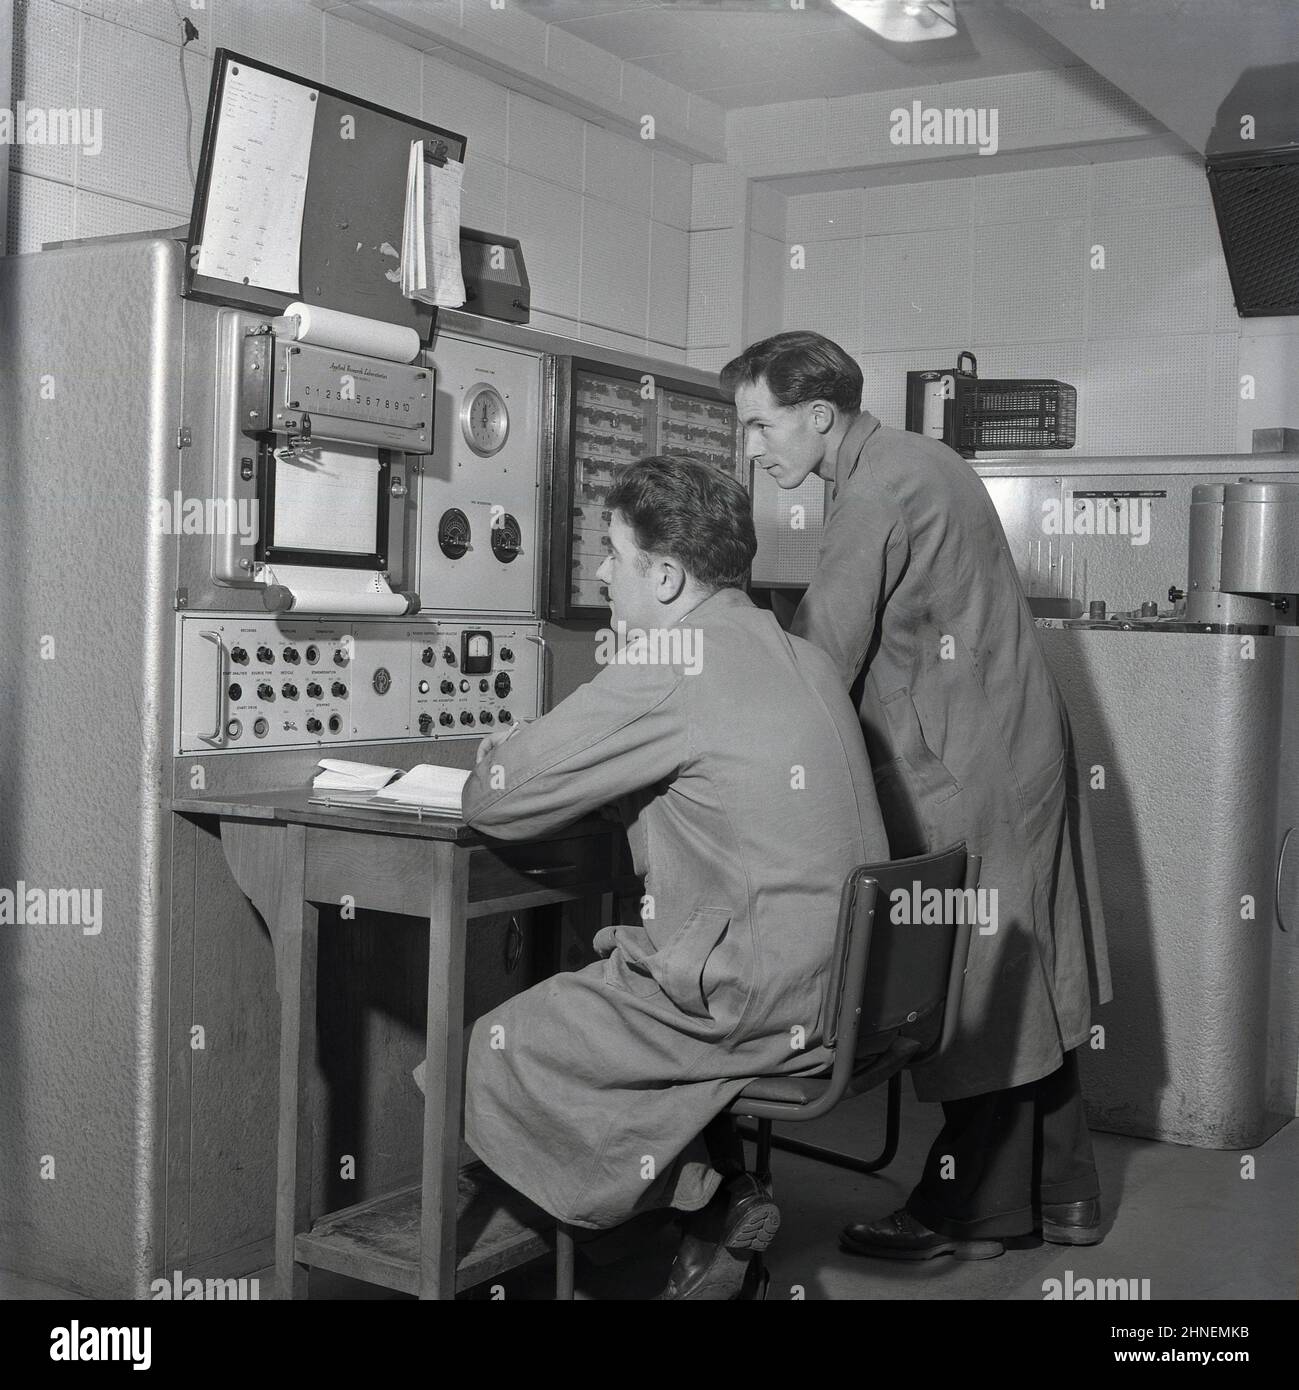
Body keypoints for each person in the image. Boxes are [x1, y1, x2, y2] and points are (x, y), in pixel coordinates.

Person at [459, 454, 890, 1299]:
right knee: (609, 985)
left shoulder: (671, 663)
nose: (598, 572)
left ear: (662, 575)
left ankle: (668, 1250)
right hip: (848, 988)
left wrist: (507, 753)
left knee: (503, 1045)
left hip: (753, 999)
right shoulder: (792, 649)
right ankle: (713, 1202)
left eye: (611, 555)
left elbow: (495, 799)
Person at [722, 331, 1112, 1261]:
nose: (751, 449)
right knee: (1024, 963)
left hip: (963, 761)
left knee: (977, 987)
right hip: (1010, 742)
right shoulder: (921, 458)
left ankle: (961, 1212)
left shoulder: (875, 491)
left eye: (758, 424)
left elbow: (821, 655)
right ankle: (1066, 1196)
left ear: (818, 415)